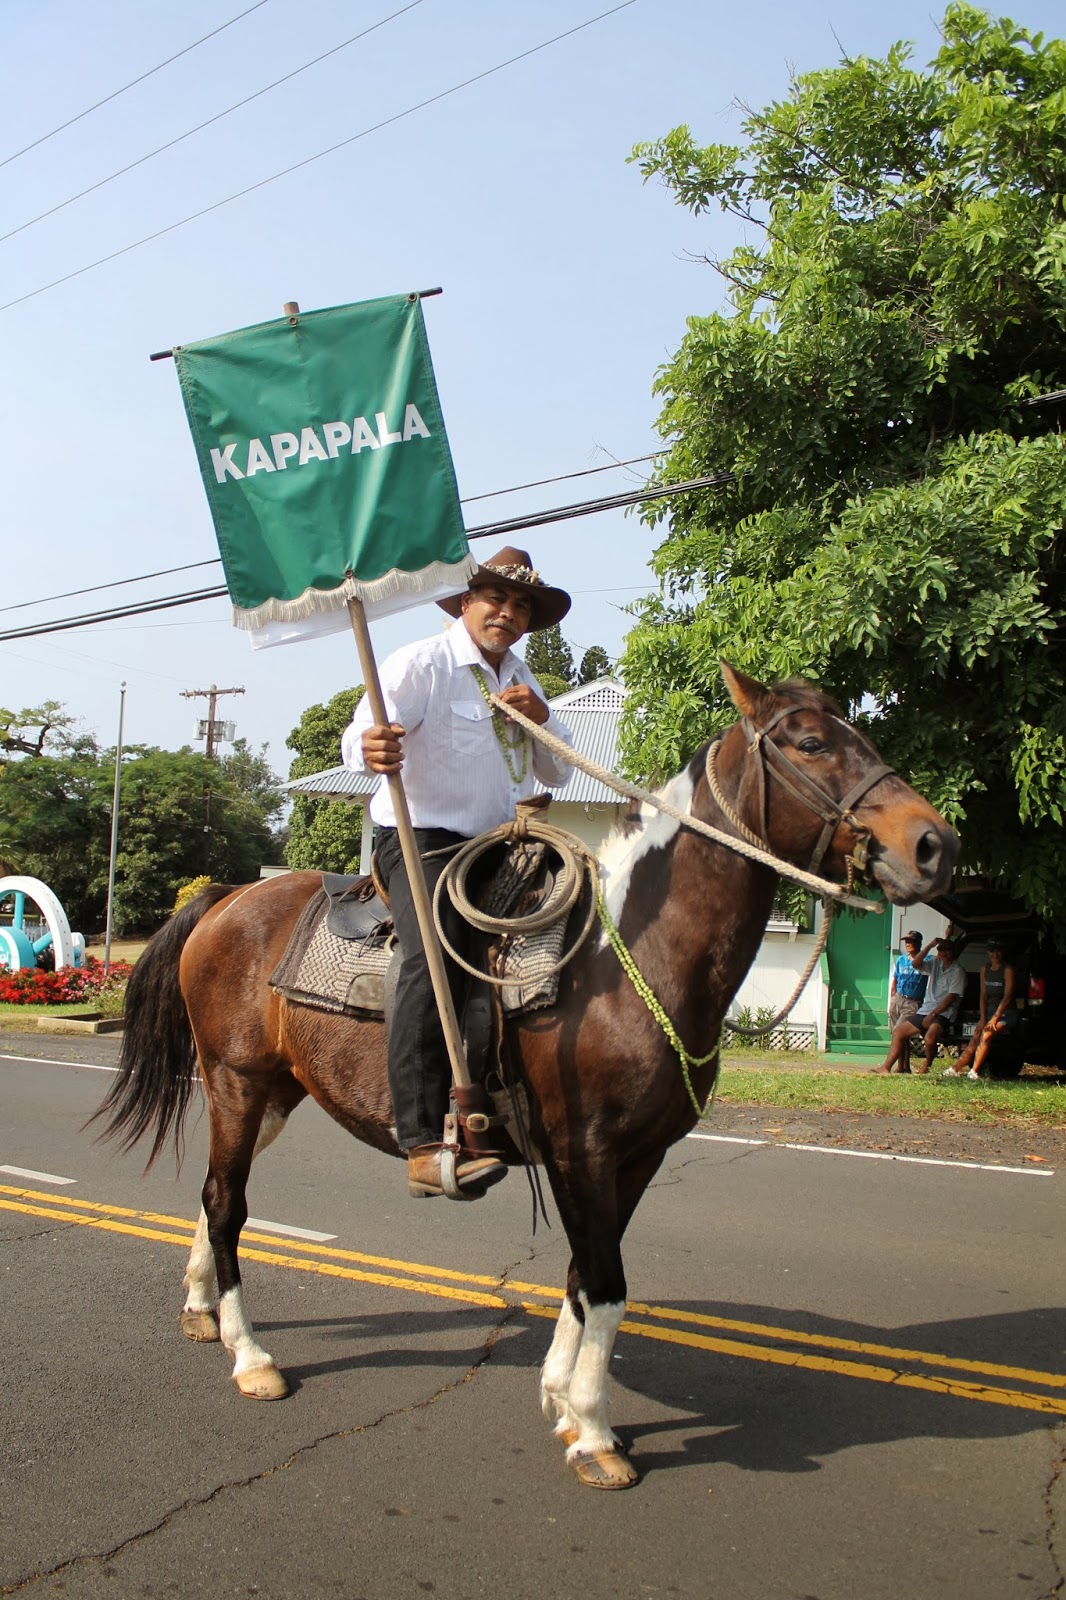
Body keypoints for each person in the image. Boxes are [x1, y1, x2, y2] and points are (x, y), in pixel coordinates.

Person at [341, 546, 575, 1199]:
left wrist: (542, 719)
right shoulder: (424, 663)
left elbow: (559, 771)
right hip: (418, 836)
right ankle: (417, 1139)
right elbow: (361, 735)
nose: (507, 612)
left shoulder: (523, 680)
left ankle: (502, 1106)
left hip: (496, 845)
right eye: (495, 598)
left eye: (521, 604)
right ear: (466, 603)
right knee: (436, 959)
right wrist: (370, 746)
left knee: (565, 940)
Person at [873, 932, 967, 1076]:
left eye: (947, 949)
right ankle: (886, 1067)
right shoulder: (935, 963)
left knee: (929, 1039)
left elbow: (951, 998)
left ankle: (927, 1065)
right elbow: (915, 964)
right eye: (940, 949)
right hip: (925, 1009)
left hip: (943, 1012)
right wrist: (931, 945)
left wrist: (933, 1014)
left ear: (953, 952)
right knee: (898, 1032)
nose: (943, 952)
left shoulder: (958, 971)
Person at [942, 938, 1017, 1080]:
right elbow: (983, 996)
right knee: (976, 1036)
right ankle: (955, 1069)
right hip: (988, 1012)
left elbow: (1007, 997)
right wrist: (983, 1018)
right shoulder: (985, 969)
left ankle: (974, 1071)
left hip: (1006, 1013)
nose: (995, 955)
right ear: (988, 952)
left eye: (998, 951)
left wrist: (995, 1018)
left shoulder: (1007, 970)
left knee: (987, 1034)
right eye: (992, 951)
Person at [889, 929, 927, 1031]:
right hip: (898, 998)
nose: (908, 944)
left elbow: (942, 956)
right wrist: (892, 999)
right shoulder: (901, 959)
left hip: (913, 1002)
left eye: (911, 941)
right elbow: (895, 979)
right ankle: (900, 1047)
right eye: (906, 941)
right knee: (893, 1031)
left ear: (919, 943)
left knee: (900, 1030)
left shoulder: (927, 960)